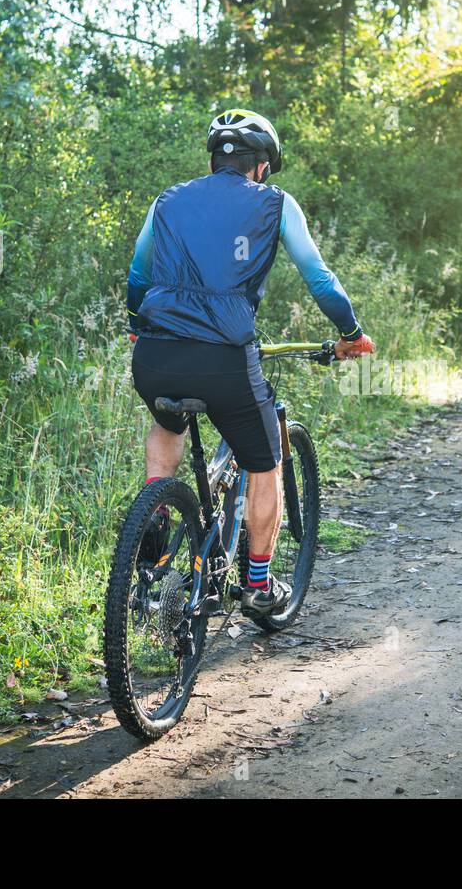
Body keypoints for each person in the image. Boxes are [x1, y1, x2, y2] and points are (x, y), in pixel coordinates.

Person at [127, 108, 373, 615]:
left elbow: (138, 273)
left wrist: (138, 325)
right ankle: (259, 586)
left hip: (154, 355)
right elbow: (320, 280)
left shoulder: (167, 199)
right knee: (266, 464)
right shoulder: (276, 204)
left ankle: (152, 522)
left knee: (166, 423)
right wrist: (350, 333)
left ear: (217, 158)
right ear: (262, 165)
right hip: (225, 358)